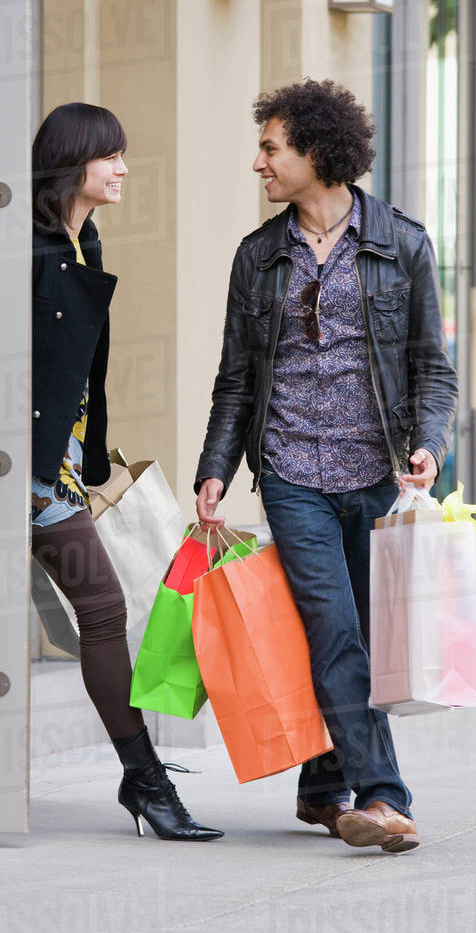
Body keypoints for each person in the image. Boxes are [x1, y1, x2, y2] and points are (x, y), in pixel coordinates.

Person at [0, 102, 222, 843]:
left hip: (48, 473)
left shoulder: (80, 244)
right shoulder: (27, 254)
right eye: (112, 157)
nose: (125, 169)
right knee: (99, 612)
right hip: (24, 478)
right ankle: (147, 784)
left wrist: (87, 456)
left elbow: (77, 379)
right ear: (74, 164)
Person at [195, 79, 458, 853]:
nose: (259, 164)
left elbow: (430, 368)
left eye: (272, 148)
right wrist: (217, 465)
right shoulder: (259, 257)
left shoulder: (401, 244)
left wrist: (429, 442)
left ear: (318, 152)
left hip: (376, 473)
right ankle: (382, 796)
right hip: (289, 471)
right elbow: (237, 377)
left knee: (356, 639)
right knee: (335, 629)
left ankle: (320, 783)